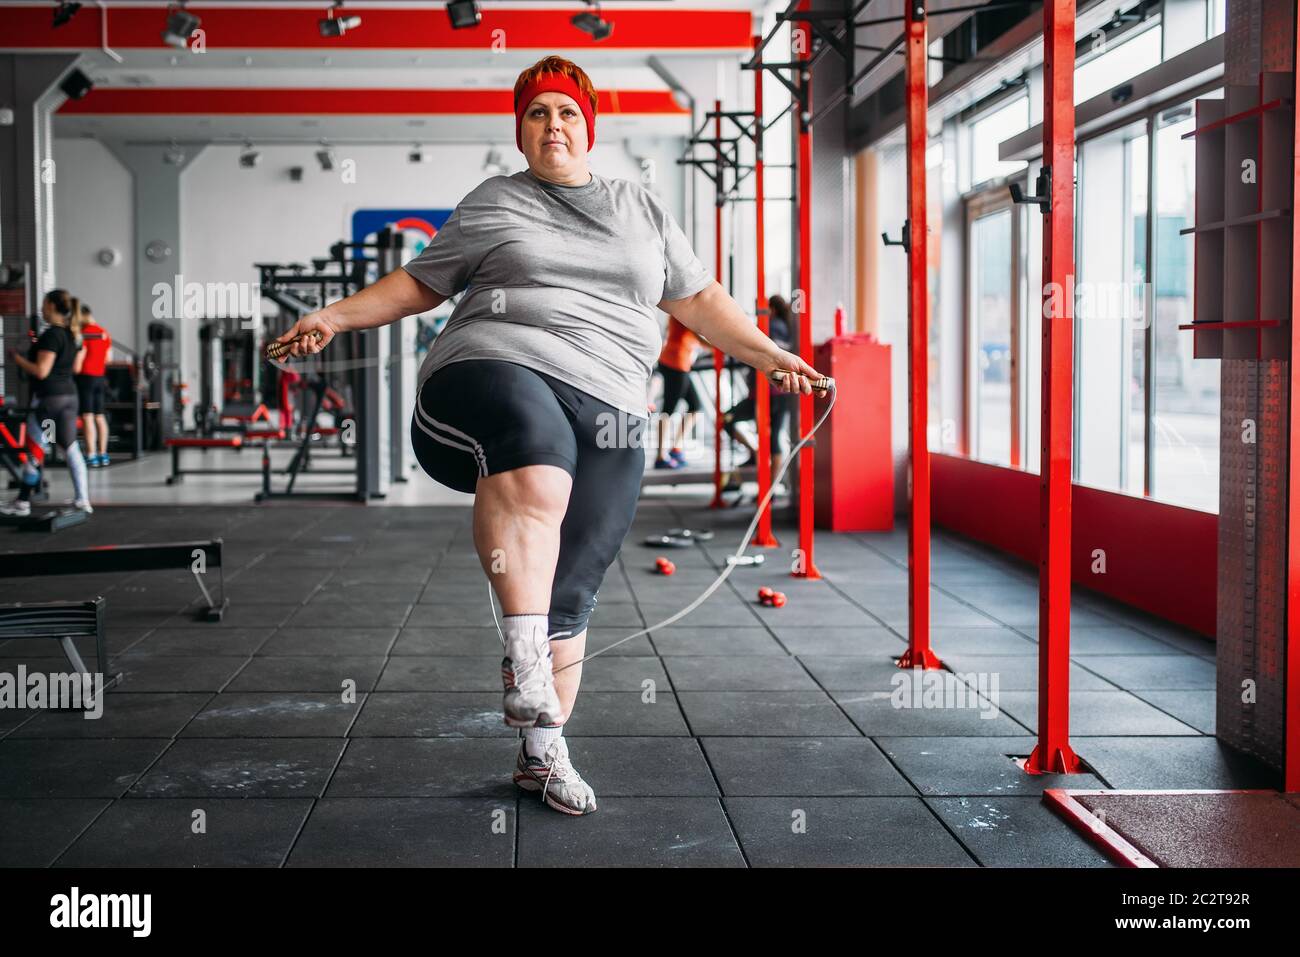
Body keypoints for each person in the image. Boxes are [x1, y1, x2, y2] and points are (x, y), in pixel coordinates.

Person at [271, 55, 827, 816]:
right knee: (539, 455)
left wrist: (768, 354)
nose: (553, 125)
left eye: (567, 112)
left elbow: (698, 300)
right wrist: (333, 316)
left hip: (613, 402)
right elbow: (419, 283)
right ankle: (522, 664)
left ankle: (542, 750)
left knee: (576, 584)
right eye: (537, 113)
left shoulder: (641, 206)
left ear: (588, 127)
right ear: (521, 131)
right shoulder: (493, 203)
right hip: (491, 369)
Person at [2, 289, 92, 516]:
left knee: (35, 449)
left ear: (52, 306)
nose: (41, 308)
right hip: (69, 397)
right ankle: (83, 500)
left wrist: (17, 359)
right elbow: (75, 368)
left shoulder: (52, 335)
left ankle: (22, 502)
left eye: (44, 304)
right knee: (70, 448)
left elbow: (42, 371)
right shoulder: (73, 335)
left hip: (49, 399)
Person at [722, 293, 800, 490]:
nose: (757, 314)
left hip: (773, 395)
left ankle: (769, 486)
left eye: (760, 309)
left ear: (770, 310)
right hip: (765, 395)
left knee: (771, 438)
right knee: (767, 437)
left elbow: (760, 354)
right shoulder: (777, 328)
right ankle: (759, 462)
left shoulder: (772, 328)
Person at [652, 315, 704, 469]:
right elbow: (700, 339)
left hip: (679, 362)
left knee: (695, 406)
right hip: (676, 364)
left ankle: (676, 448)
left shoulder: (684, 310)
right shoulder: (686, 312)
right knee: (668, 410)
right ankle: (660, 457)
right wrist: (723, 346)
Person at [74, 304, 113, 467]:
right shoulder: (104, 333)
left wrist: (73, 370)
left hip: (86, 378)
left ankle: (91, 455)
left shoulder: (83, 334)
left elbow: (78, 361)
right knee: (99, 416)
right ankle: (103, 454)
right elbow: (108, 359)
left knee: (87, 416)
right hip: (100, 378)